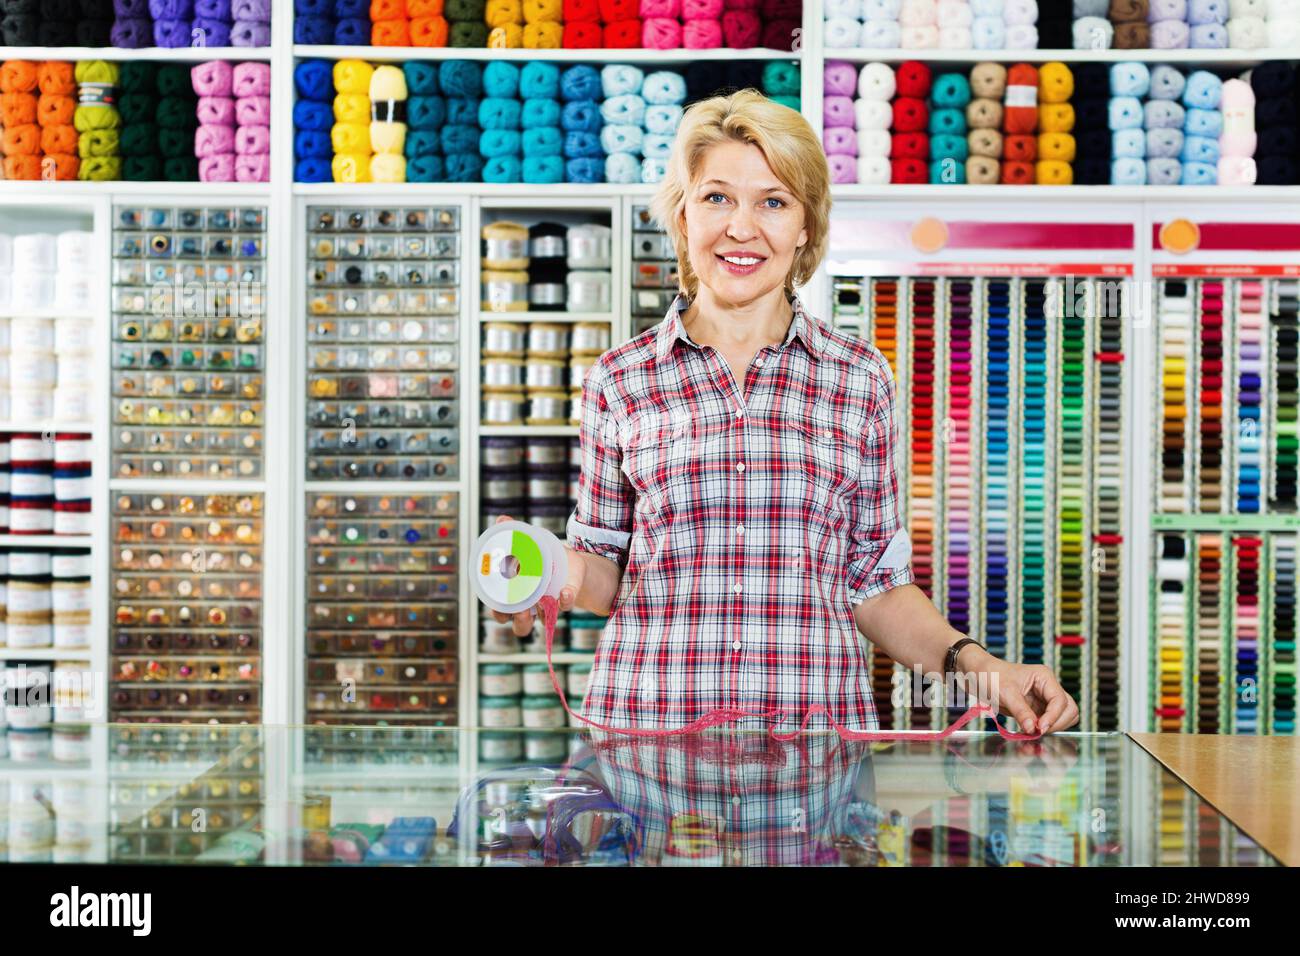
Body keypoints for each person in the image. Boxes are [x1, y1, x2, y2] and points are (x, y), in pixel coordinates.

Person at [486, 88, 1079, 736]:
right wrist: (541, 572)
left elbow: (876, 584)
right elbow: (605, 569)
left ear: (805, 228)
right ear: (684, 218)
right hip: (650, 749)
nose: (742, 228)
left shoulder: (858, 378)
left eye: (773, 201)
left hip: (813, 753)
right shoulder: (621, 379)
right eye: (717, 198)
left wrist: (983, 669)